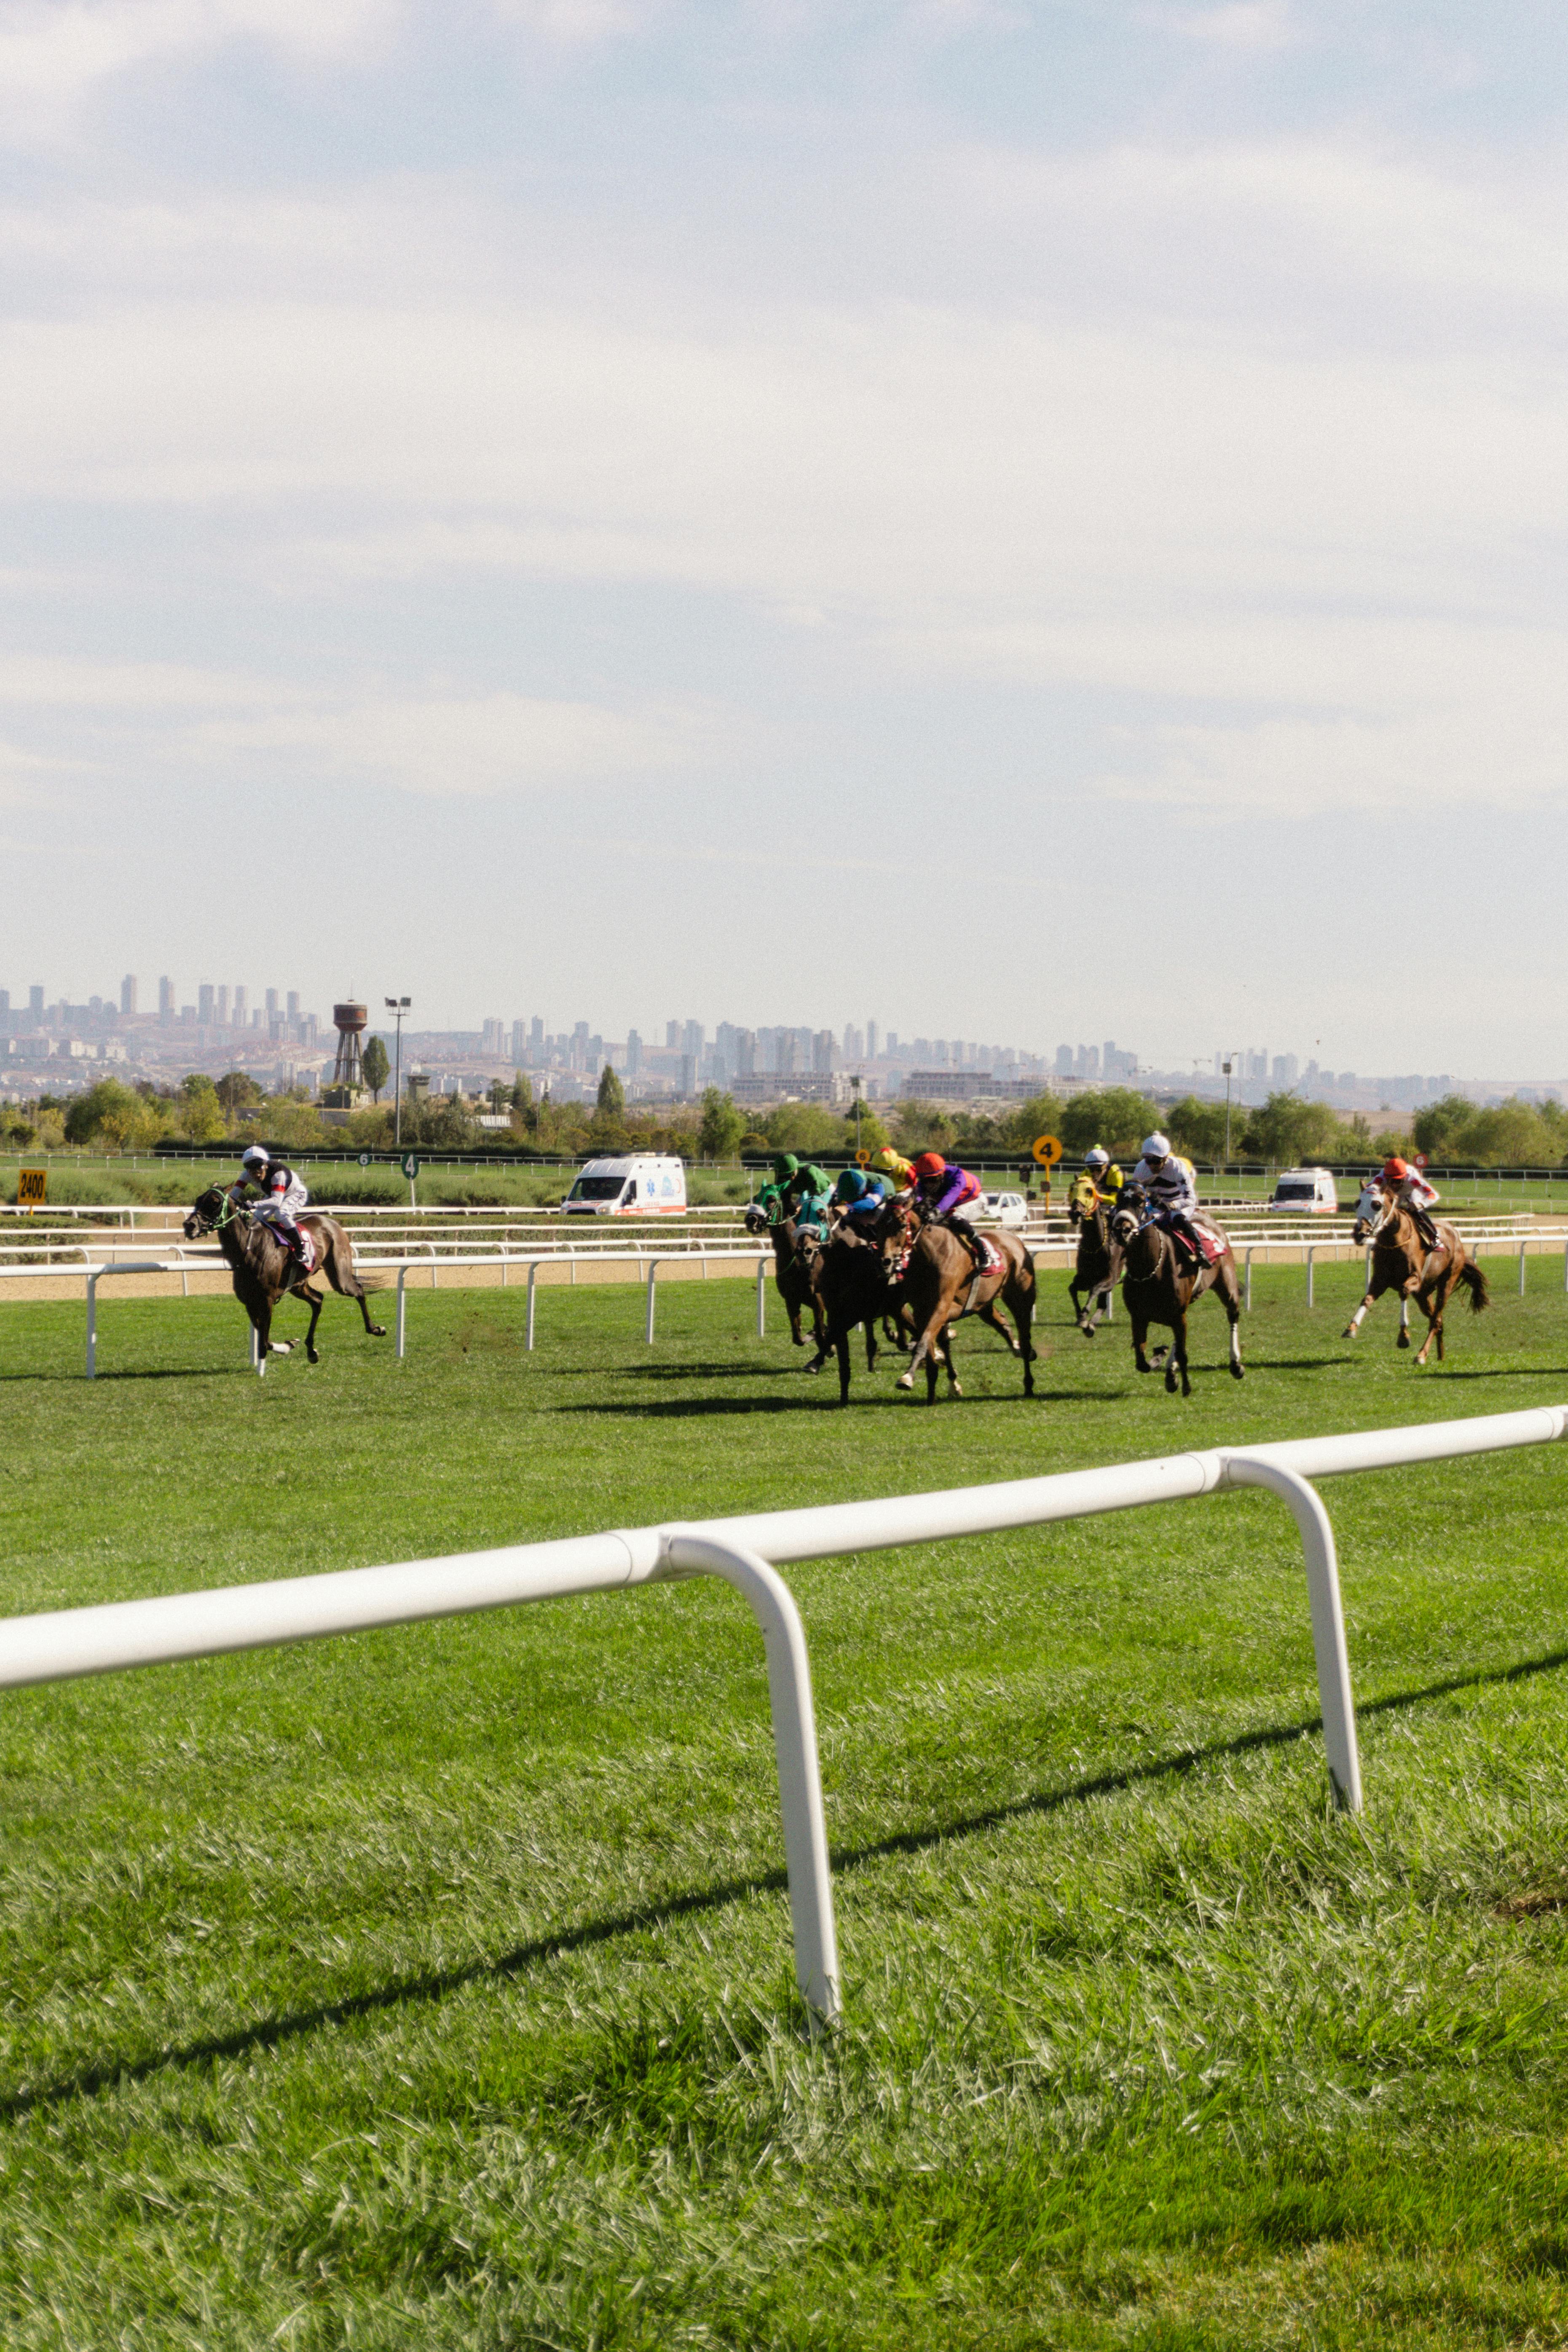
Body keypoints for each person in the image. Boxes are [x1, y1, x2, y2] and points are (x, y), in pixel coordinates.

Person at [1127, 1131, 1219, 1267]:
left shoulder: (1178, 1168)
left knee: (1177, 1218)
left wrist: (1172, 1205)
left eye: (1156, 1161)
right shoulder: (1141, 1169)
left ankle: (1200, 1250)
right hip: (1157, 1204)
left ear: (1165, 1158)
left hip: (1181, 1202)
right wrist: (1148, 1201)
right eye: (1149, 1161)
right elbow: (1137, 1194)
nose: (1152, 1166)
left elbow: (1190, 1198)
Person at [239, 1142, 311, 1267]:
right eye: (252, 1171)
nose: (256, 1175)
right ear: (247, 1170)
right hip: (276, 1194)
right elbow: (233, 1196)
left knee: (281, 1214)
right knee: (258, 1217)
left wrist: (253, 1204)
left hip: (294, 1194)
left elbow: (277, 1202)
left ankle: (301, 1250)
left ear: (265, 1166)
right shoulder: (246, 1175)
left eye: (259, 1170)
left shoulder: (278, 1174)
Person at [909, 1150, 987, 1264]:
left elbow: (949, 1198)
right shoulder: (925, 1180)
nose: (929, 1184)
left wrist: (935, 1211)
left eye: (933, 1180)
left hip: (975, 1202)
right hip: (952, 1205)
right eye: (925, 1180)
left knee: (955, 1218)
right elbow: (918, 1197)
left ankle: (983, 1252)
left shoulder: (958, 1177)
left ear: (942, 1174)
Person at [1381, 1155, 1441, 1252]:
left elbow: (1433, 1195)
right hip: (1395, 1194)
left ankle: (1434, 1238)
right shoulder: (1381, 1177)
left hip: (1412, 1191)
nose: (1393, 1184)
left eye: (1397, 1181)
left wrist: (1421, 1204)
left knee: (1416, 1210)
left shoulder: (1413, 1177)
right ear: (1385, 1178)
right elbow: (1368, 1190)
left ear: (1405, 1177)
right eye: (1390, 1181)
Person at [1068, 1146, 1124, 1221]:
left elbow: (1116, 1200)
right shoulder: (1086, 1173)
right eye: (1092, 1169)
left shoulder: (1116, 1174)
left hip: (1116, 1206)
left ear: (1105, 1166)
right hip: (1096, 1205)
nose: (1095, 1173)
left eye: (1098, 1169)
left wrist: (1098, 1196)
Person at [831, 1165, 889, 1236]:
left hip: (882, 1201)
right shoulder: (846, 1181)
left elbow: (871, 1203)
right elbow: (836, 1198)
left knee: (876, 1216)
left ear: (864, 1190)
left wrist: (847, 1207)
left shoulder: (878, 1186)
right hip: (863, 1194)